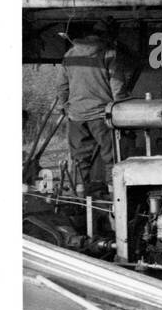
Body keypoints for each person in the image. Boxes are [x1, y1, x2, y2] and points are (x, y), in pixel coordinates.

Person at [54, 22, 127, 198]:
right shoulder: (109, 54)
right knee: (112, 157)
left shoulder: (70, 54)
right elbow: (117, 85)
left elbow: (61, 85)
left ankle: (79, 199)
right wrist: (121, 109)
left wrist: (63, 106)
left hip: (77, 116)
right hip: (103, 114)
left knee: (79, 159)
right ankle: (114, 198)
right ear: (106, 36)